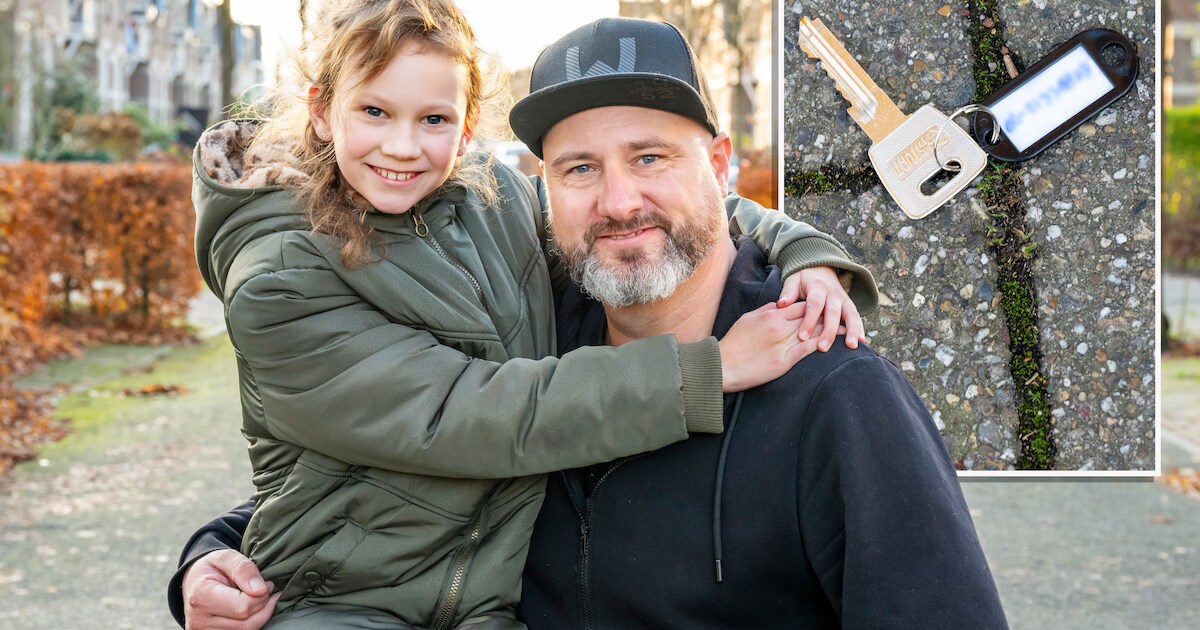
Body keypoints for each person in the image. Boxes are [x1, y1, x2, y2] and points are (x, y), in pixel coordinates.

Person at [172, 14, 1005, 630]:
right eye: (580, 169)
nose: (617, 200)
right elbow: (404, 460)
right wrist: (209, 555)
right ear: (546, 189)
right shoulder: (546, 313)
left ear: (718, 167)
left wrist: (808, 247)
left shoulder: (832, 387)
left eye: (650, 157)